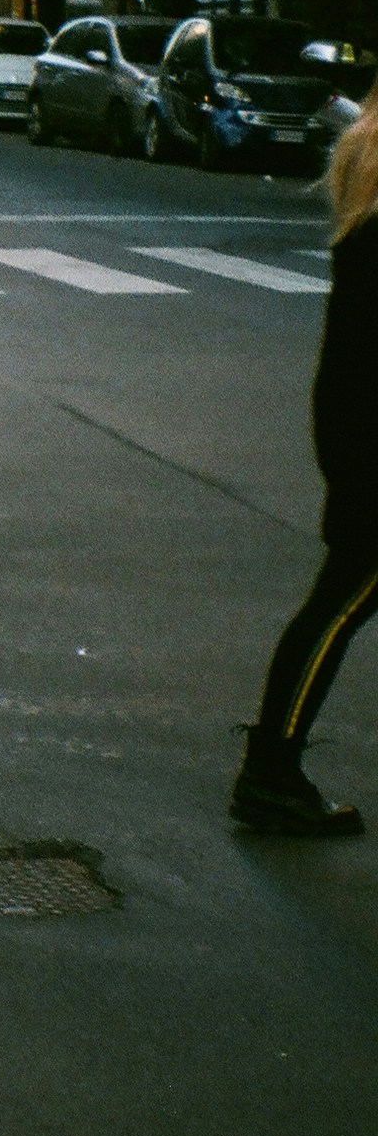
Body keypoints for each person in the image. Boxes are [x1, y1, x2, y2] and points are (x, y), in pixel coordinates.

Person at [230, 83, 378, 836]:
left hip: (356, 419)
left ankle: (271, 765)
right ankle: (270, 768)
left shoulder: (368, 174)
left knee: (342, 599)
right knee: (345, 598)